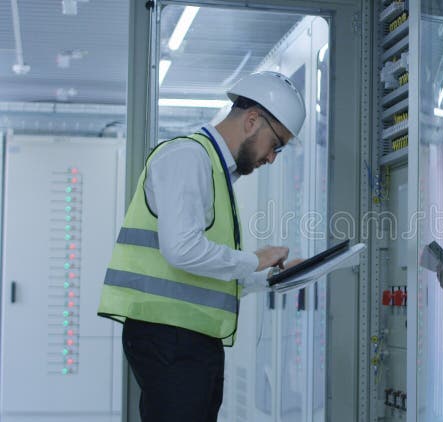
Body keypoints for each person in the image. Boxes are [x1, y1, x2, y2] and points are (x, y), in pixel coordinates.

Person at [97, 71, 305, 421]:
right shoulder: (188, 158)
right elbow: (182, 250)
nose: (272, 158)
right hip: (171, 340)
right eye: (276, 145)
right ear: (253, 120)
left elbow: (200, 275)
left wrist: (269, 278)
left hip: (186, 340)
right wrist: (254, 260)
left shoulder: (213, 170)